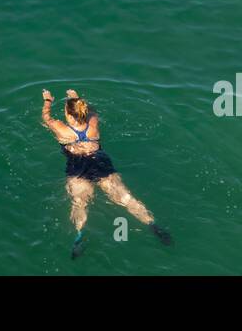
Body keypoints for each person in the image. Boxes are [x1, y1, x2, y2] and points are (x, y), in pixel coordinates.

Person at [41, 88, 171, 257]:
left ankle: (80, 235)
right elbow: (92, 110)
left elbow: (46, 118)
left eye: (66, 112)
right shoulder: (93, 123)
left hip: (78, 166)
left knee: (80, 203)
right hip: (100, 161)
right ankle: (152, 224)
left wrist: (48, 101)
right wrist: (76, 97)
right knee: (126, 198)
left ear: (70, 116)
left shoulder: (61, 129)